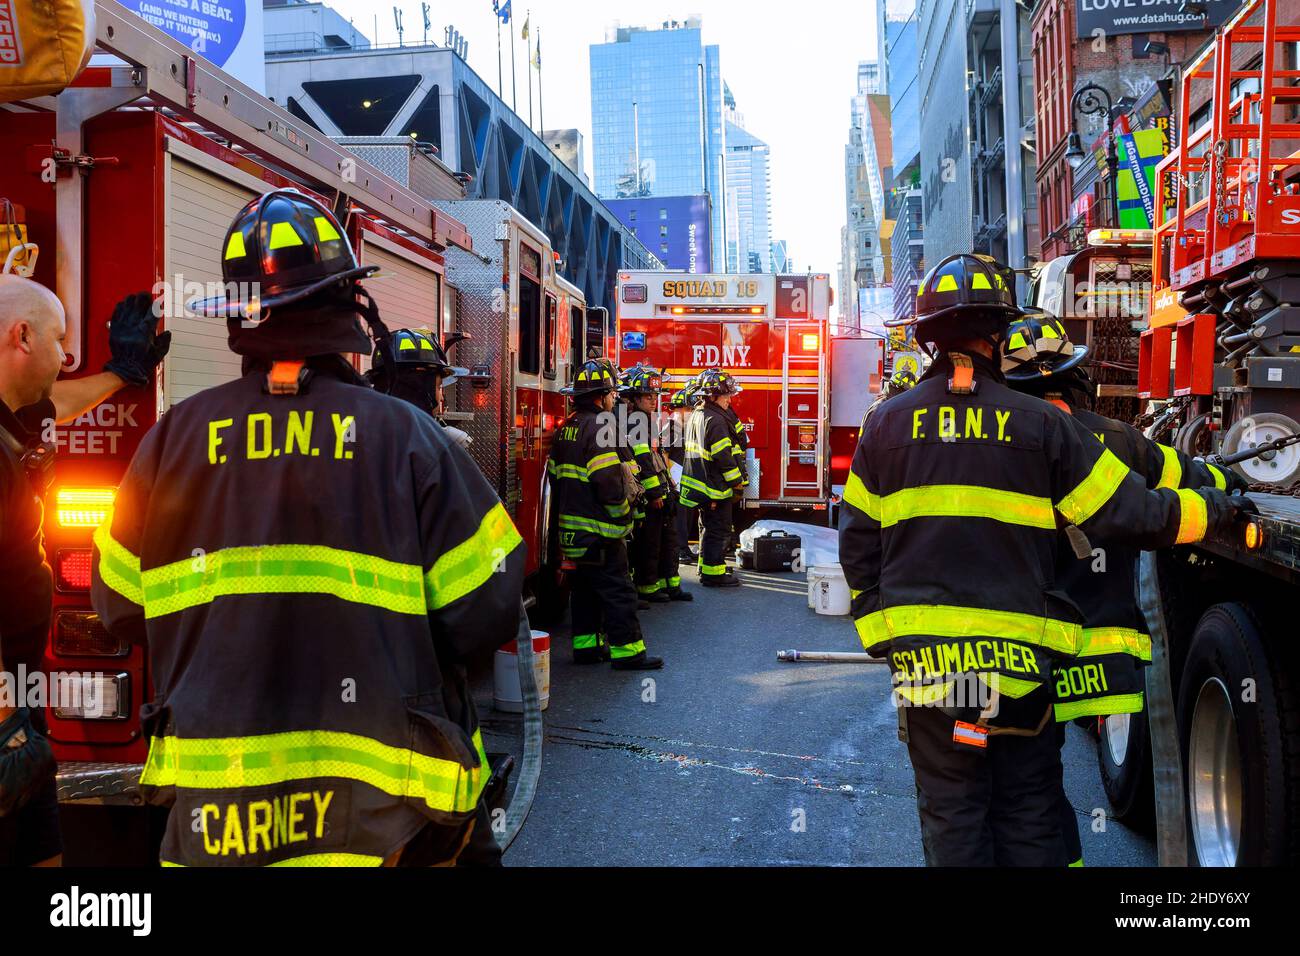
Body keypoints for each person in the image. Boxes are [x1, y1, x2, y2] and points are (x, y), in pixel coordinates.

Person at [91, 189, 525, 867]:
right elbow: (487, 607)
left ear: (241, 318)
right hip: (384, 822)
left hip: (214, 828)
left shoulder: (170, 441)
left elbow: (119, 609)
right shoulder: (409, 439)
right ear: (347, 306)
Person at [838, 252, 1245, 867]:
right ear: (999, 335)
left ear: (926, 340)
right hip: (1019, 671)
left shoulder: (884, 427)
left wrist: (884, 634)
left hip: (929, 673)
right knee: (1030, 812)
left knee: (954, 817)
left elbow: (857, 545)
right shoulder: (1041, 426)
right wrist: (1214, 512)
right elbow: (1128, 511)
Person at [999, 308, 1249, 865]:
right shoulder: (1110, 438)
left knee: (1023, 783)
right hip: (1094, 653)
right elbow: (1185, 475)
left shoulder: (997, 451)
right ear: (1074, 375)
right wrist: (1226, 486)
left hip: (1016, 655)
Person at [0, 275, 168, 867]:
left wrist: (124, 372)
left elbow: (61, 403)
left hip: (25, 718)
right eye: (58, 339)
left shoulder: (12, 418)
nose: (67, 356)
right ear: (21, 336)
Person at [364, 325, 505, 868]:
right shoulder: (439, 449)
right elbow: (483, 598)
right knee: (461, 837)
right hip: (420, 687)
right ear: (429, 386)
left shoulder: (341, 437)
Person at [547, 357, 663, 670]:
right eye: (613, 394)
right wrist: (624, 515)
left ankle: (586, 649)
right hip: (601, 532)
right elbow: (609, 484)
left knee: (584, 591)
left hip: (572, 532)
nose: (615, 399)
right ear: (601, 396)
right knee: (619, 592)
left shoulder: (567, 428)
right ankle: (629, 653)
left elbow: (557, 479)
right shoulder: (603, 427)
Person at [620, 364, 691, 604]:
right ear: (634, 397)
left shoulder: (647, 419)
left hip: (662, 489)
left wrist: (669, 485)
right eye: (647, 396)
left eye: (655, 396)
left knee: (667, 541)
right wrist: (655, 493)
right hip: (650, 495)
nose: (653, 400)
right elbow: (643, 461)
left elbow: (657, 456)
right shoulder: (635, 422)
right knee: (649, 544)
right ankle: (649, 588)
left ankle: (670, 585)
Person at [681, 368, 746, 588]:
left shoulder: (698, 414)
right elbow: (723, 457)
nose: (729, 399)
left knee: (707, 528)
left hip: (701, 484)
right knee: (718, 529)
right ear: (712, 395)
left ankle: (706, 565)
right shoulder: (716, 420)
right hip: (714, 486)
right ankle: (714, 573)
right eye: (726, 395)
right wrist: (737, 482)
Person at [666, 378, 701, 565]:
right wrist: (668, 479)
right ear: (678, 410)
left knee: (687, 515)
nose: (691, 413)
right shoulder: (671, 427)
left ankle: (684, 547)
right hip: (675, 479)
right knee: (679, 517)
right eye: (689, 410)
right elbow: (664, 454)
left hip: (685, 478)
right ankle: (680, 550)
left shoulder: (687, 429)